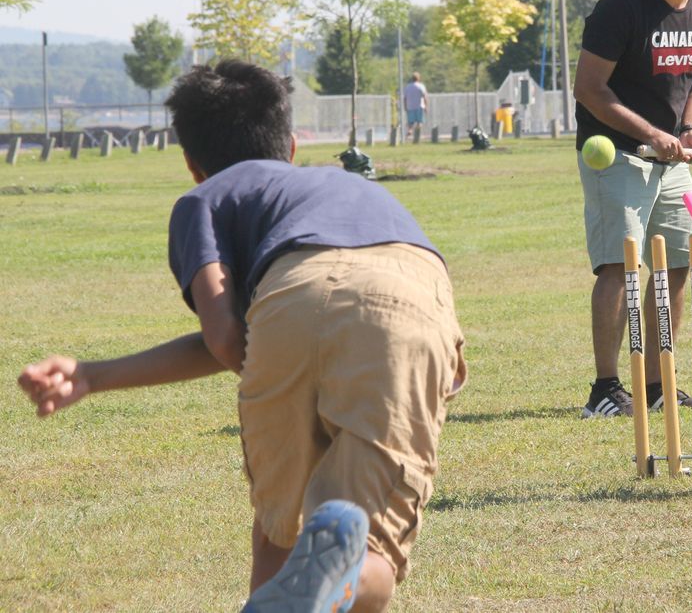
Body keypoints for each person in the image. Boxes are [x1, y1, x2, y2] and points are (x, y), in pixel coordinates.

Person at [17, 60, 467, 611]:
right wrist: (93, 375)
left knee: (280, 529)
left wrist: (92, 375)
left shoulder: (204, 198)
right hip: (406, 295)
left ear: (191, 164)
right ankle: (343, 574)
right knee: (368, 545)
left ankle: (316, 581)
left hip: (289, 292)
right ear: (292, 146)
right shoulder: (345, 185)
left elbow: (227, 337)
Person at [573, 0, 692, 418]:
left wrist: (690, 128)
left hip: (670, 157)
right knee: (621, 264)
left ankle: (656, 384)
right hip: (617, 152)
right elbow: (589, 89)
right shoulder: (621, 7)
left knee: (677, 264)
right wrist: (653, 134)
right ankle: (605, 389)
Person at [403, 72, 429, 139]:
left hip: (410, 107)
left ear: (412, 78)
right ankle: (417, 136)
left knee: (410, 123)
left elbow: (405, 98)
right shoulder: (421, 86)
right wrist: (426, 106)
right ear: (419, 78)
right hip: (419, 107)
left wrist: (405, 106)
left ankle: (410, 131)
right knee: (419, 122)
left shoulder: (408, 87)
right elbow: (425, 96)